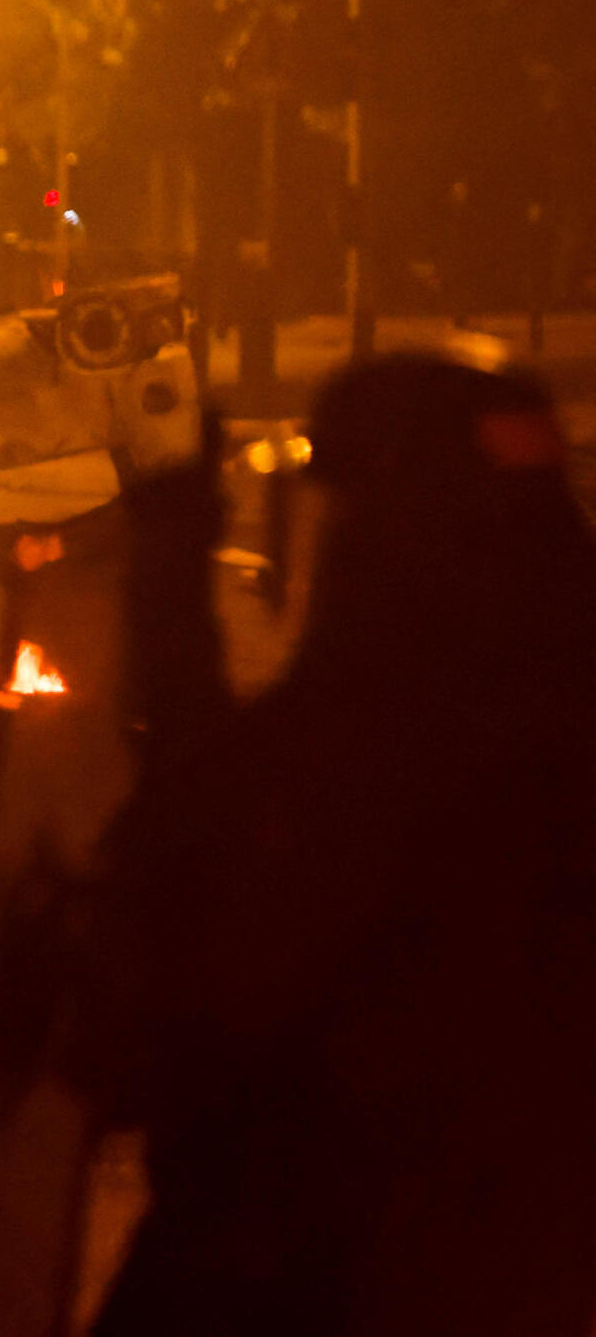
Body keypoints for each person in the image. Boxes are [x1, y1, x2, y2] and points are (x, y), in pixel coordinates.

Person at [80, 354, 596, 1336]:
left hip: (291, 1251)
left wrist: (165, 586)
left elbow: (211, 890)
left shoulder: (388, 724)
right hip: (506, 1262)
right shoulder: (541, 696)